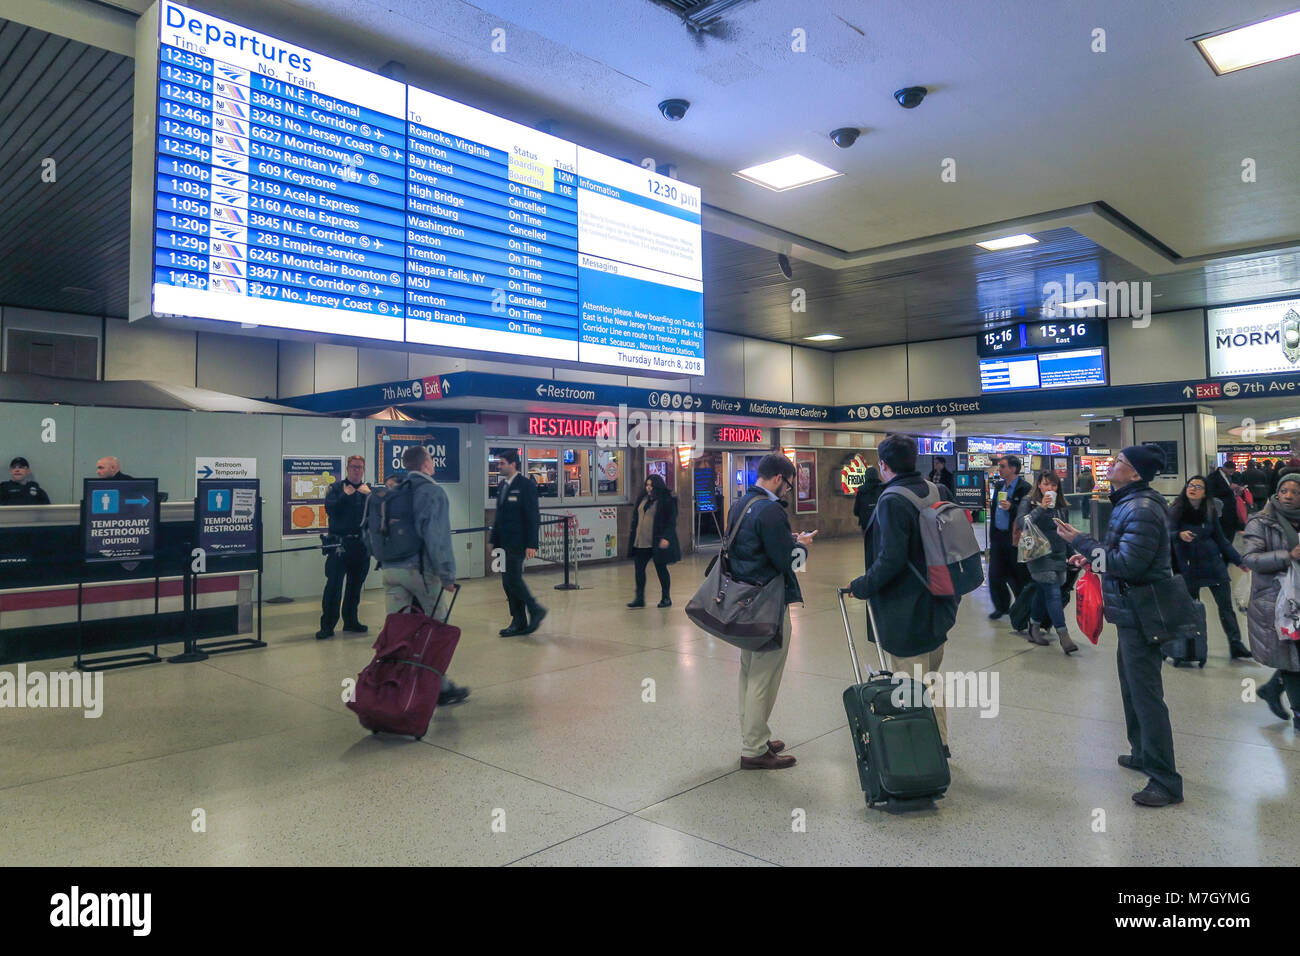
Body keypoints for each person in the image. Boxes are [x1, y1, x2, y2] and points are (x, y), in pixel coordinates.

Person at [1055, 444, 1183, 808]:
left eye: (1120, 462)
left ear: (1136, 473)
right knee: (1131, 686)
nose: (1112, 466)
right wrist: (1092, 558)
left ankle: (1166, 781)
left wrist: (1080, 541)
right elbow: (1117, 556)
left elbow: (1128, 564)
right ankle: (1142, 752)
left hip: (1142, 612)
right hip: (1129, 611)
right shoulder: (1130, 502)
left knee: (1146, 695)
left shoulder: (1141, 508)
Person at [848, 434, 957, 756]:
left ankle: (921, 754)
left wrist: (862, 585)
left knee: (909, 685)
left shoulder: (892, 499)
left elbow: (891, 559)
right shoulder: (939, 490)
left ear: (883, 465)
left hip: (905, 610)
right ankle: (940, 742)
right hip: (941, 603)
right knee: (929, 678)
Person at [728, 453, 816, 770]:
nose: (788, 492)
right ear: (779, 478)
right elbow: (788, 562)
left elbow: (753, 546)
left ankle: (755, 735)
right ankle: (753, 749)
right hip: (769, 603)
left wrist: (785, 539)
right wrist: (803, 545)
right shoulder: (771, 511)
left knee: (749, 672)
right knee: (765, 676)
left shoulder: (741, 504)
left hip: (744, 602)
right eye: (788, 486)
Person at [365, 445, 469, 706]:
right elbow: (437, 538)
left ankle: (394, 685)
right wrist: (447, 575)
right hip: (420, 571)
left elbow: (369, 532)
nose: (433, 463)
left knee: (399, 632)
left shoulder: (392, 493)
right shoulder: (432, 492)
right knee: (436, 630)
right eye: (431, 459)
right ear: (425, 464)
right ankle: (440, 688)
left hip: (390, 571)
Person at [1168, 475, 1251, 660]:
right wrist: (1179, 535)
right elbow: (1166, 534)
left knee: (1225, 607)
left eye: (1198, 486)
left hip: (1212, 563)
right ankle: (1191, 647)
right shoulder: (1176, 510)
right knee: (1191, 608)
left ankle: (1236, 645)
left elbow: (1221, 540)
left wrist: (1238, 560)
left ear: (1205, 493)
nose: (1193, 489)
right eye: (1191, 485)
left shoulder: (1210, 511)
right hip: (1187, 565)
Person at [1242, 471, 1300, 728]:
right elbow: (1251, 559)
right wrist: (1288, 555)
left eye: (1295, 492)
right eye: (1284, 491)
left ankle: (1271, 689)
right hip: (1276, 601)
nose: (1289, 496)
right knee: (1292, 657)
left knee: (1294, 656)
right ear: (1277, 493)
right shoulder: (1261, 522)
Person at [1015, 470, 1077, 653]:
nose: (1050, 488)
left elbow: (1064, 531)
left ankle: (1034, 626)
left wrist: (1072, 553)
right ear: (1039, 485)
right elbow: (1022, 523)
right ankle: (1063, 635)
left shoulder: (1059, 506)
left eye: (1054, 485)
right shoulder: (1029, 502)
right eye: (1046, 484)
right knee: (1052, 592)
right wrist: (1041, 507)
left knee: (1044, 591)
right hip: (1038, 554)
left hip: (1058, 554)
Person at [491, 449, 547, 637]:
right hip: (503, 542)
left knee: (512, 579)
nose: (498, 466)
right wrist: (494, 541)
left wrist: (532, 543)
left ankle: (534, 609)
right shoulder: (502, 486)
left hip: (518, 541)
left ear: (513, 464)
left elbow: (533, 516)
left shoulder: (525, 485)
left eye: (501, 463)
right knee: (507, 583)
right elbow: (499, 515)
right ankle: (519, 620)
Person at [318, 455, 371, 639]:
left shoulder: (368, 490)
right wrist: (344, 495)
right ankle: (327, 626)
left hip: (361, 545)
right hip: (339, 544)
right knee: (333, 587)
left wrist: (369, 496)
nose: (357, 470)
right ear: (348, 468)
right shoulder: (335, 488)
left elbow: (379, 513)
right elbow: (330, 510)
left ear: (363, 469)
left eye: (360, 467)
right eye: (354, 466)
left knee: (355, 587)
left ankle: (351, 621)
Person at [626, 473, 680, 608]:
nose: (649, 488)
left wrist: (666, 537)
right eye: (647, 485)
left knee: (661, 569)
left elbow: (671, 521)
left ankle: (666, 597)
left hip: (656, 541)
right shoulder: (643, 499)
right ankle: (639, 598)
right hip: (641, 541)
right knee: (639, 569)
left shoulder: (666, 500)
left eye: (651, 485)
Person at [987, 455, 1031, 621]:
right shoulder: (999, 486)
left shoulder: (1025, 488)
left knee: (1018, 576)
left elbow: (1028, 511)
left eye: (1003, 466)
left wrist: (1012, 507)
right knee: (995, 575)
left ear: (1013, 468)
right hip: (999, 536)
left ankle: (1021, 608)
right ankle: (1001, 606)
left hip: (1015, 538)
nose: (1000, 469)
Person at [853, 466, 884, 570]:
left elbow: (856, 510)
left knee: (868, 548)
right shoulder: (882, 488)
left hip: (866, 524)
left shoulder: (861, 490)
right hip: (880, 523)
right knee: (881, 547)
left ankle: (869, 570)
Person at [1207, 458, 1244, 541]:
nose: (1232, 473)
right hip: (1222, 510)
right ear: (1224, 468)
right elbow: (1211, 492)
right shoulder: (1213, 477)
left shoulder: (1232, 476)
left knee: (1231, 533)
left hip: (1232, 509)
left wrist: (1238, 490)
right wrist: (1229, 489)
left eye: (1233, 471)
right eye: (1230, 471)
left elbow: (1238, 484)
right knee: (1223, 533)